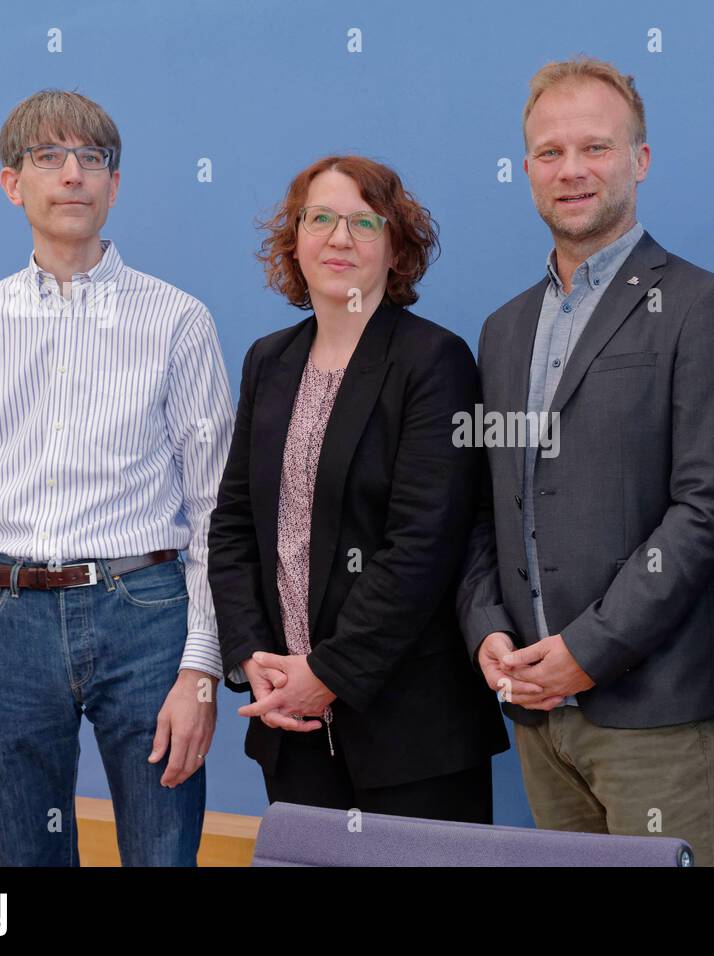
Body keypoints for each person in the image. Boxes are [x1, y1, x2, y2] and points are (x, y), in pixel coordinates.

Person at [0, 89, 234, 866]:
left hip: (147, 616)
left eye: (93, 159)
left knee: (163, 858)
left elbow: (219, 510)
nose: (74, 175)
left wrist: (202, 668)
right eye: (49, 157)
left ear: (114, 186)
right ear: (12, 183)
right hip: (1, 626)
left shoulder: (178, 321)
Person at [457, 58, 714, 866]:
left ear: (641, 159)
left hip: (657, 711)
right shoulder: (503, 329)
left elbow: (710, 508)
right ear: (526, 170)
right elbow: (491, 506)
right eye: (550, 153)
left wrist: (588, 651)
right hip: (532, 709)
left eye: (596, 146)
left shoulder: (703, 304)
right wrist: (486, 627)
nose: (573, 169)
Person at [208, 156, 508, 821]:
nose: (338, 239)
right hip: (292, 727)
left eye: (363, 222)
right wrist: (251, 658)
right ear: (295, 238)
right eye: (320, 219)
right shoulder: (269, 360)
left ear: (396, 246)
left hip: (412, 734)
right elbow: (233, 527)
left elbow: (422, 547)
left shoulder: (434, 361)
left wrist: (330, 676)